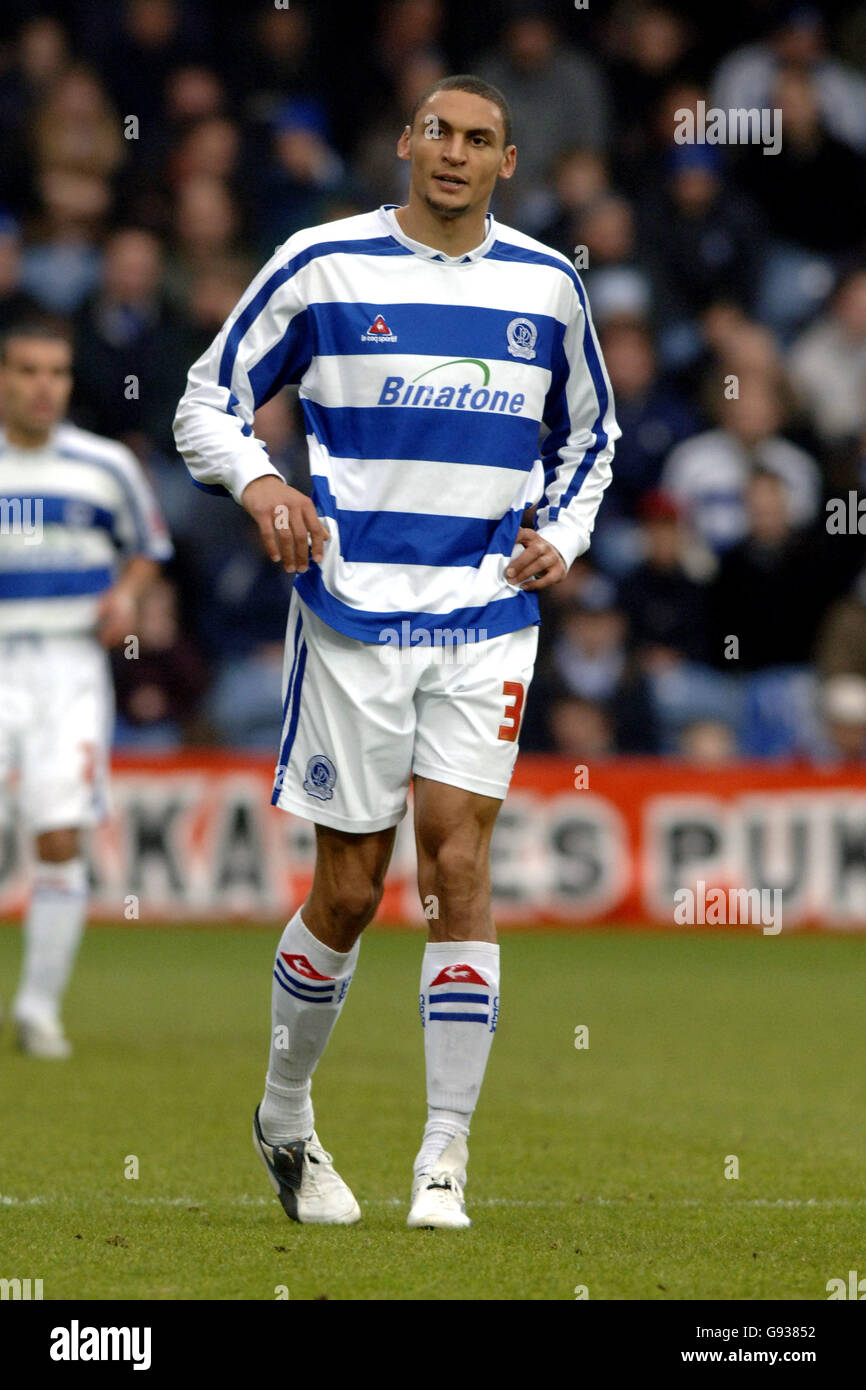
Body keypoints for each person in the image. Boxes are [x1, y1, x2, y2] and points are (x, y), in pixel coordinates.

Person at [173, 74, 618, 1229]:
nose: (455, 155)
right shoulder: (322, 265)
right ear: (407, 143)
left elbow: (593, 436)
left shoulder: (547, 285)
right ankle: (284, 1115)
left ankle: (442, 1159)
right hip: (352, 616)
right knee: (352, 889)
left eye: (479, 140)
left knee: (456, 864)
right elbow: (204, 400)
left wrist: (561, 535)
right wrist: (262, 479)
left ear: (507, 162)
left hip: (482, 617)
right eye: (437, 132)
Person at [0, 322, 172, 1056]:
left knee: (59, 832)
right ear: (3, 378)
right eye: (29, 371)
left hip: (70, 666)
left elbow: (151, 547)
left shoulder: (105, 467)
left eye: (58, 373)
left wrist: (126, 598)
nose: (45, 386)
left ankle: (38, 1008)